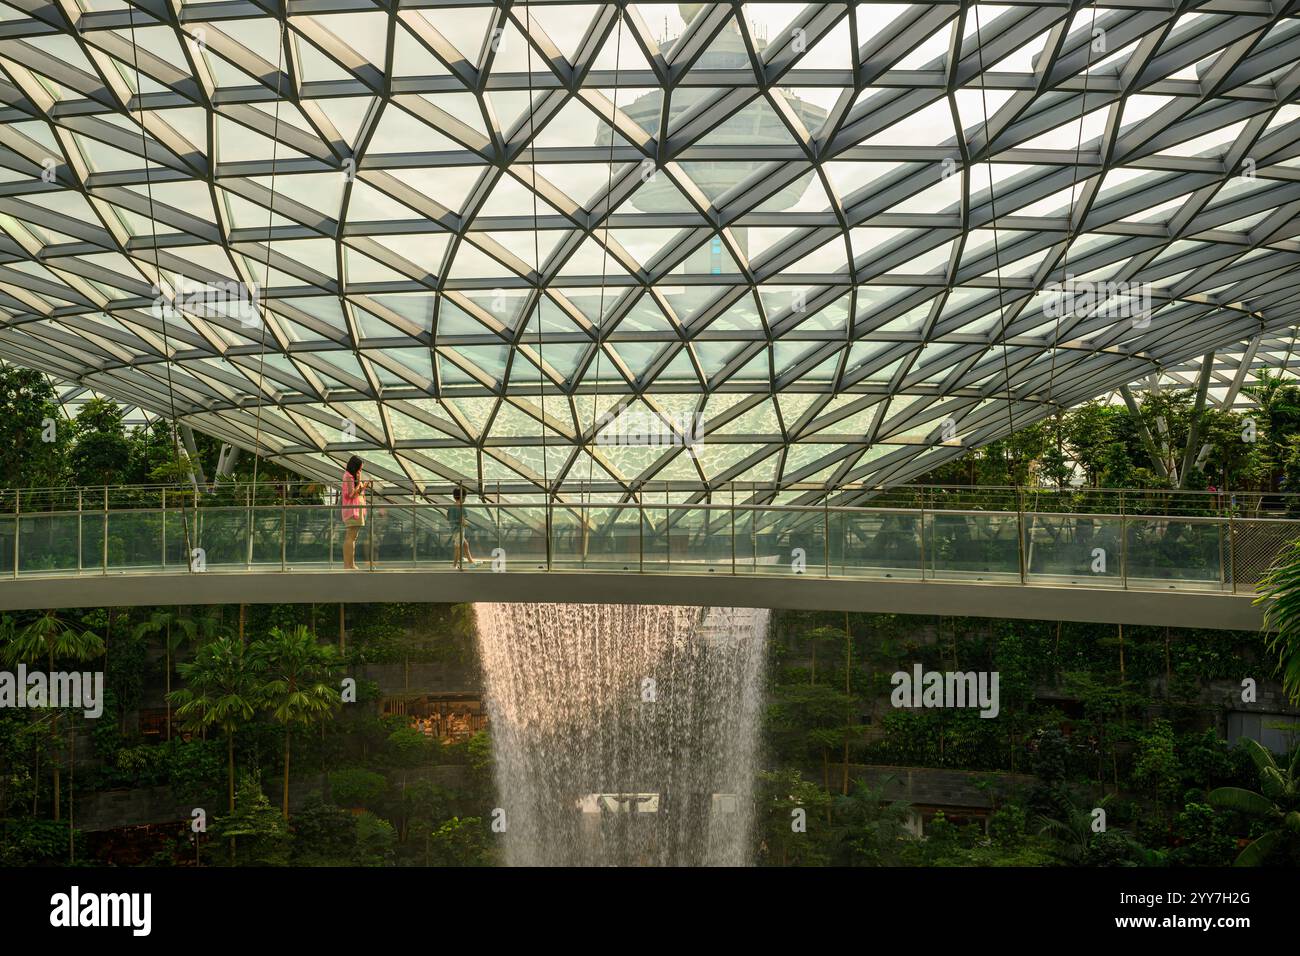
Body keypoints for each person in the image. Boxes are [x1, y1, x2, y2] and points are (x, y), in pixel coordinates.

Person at [341, 455, 371, 569]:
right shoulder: (348, 476)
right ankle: (348, 565)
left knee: (353, 536)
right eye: (359, 468)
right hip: (352, 509)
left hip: (355, 509)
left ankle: (350, 564)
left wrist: (362, 486)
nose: (360, 470)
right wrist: (359, 484)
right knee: (350, 536)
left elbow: (354, 492)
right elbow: (351, 494)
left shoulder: (350, 476)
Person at [448, 486, 476, 568]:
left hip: (454, 530)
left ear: (454, 497)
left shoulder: (451, 507)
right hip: (459, 530)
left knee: (465, 545)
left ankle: (471, 562)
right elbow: (462, 521)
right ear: (463, 497)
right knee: (457, 547)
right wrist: (471, 526)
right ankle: (454, 565)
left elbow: (448, 518)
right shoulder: (462, 507)